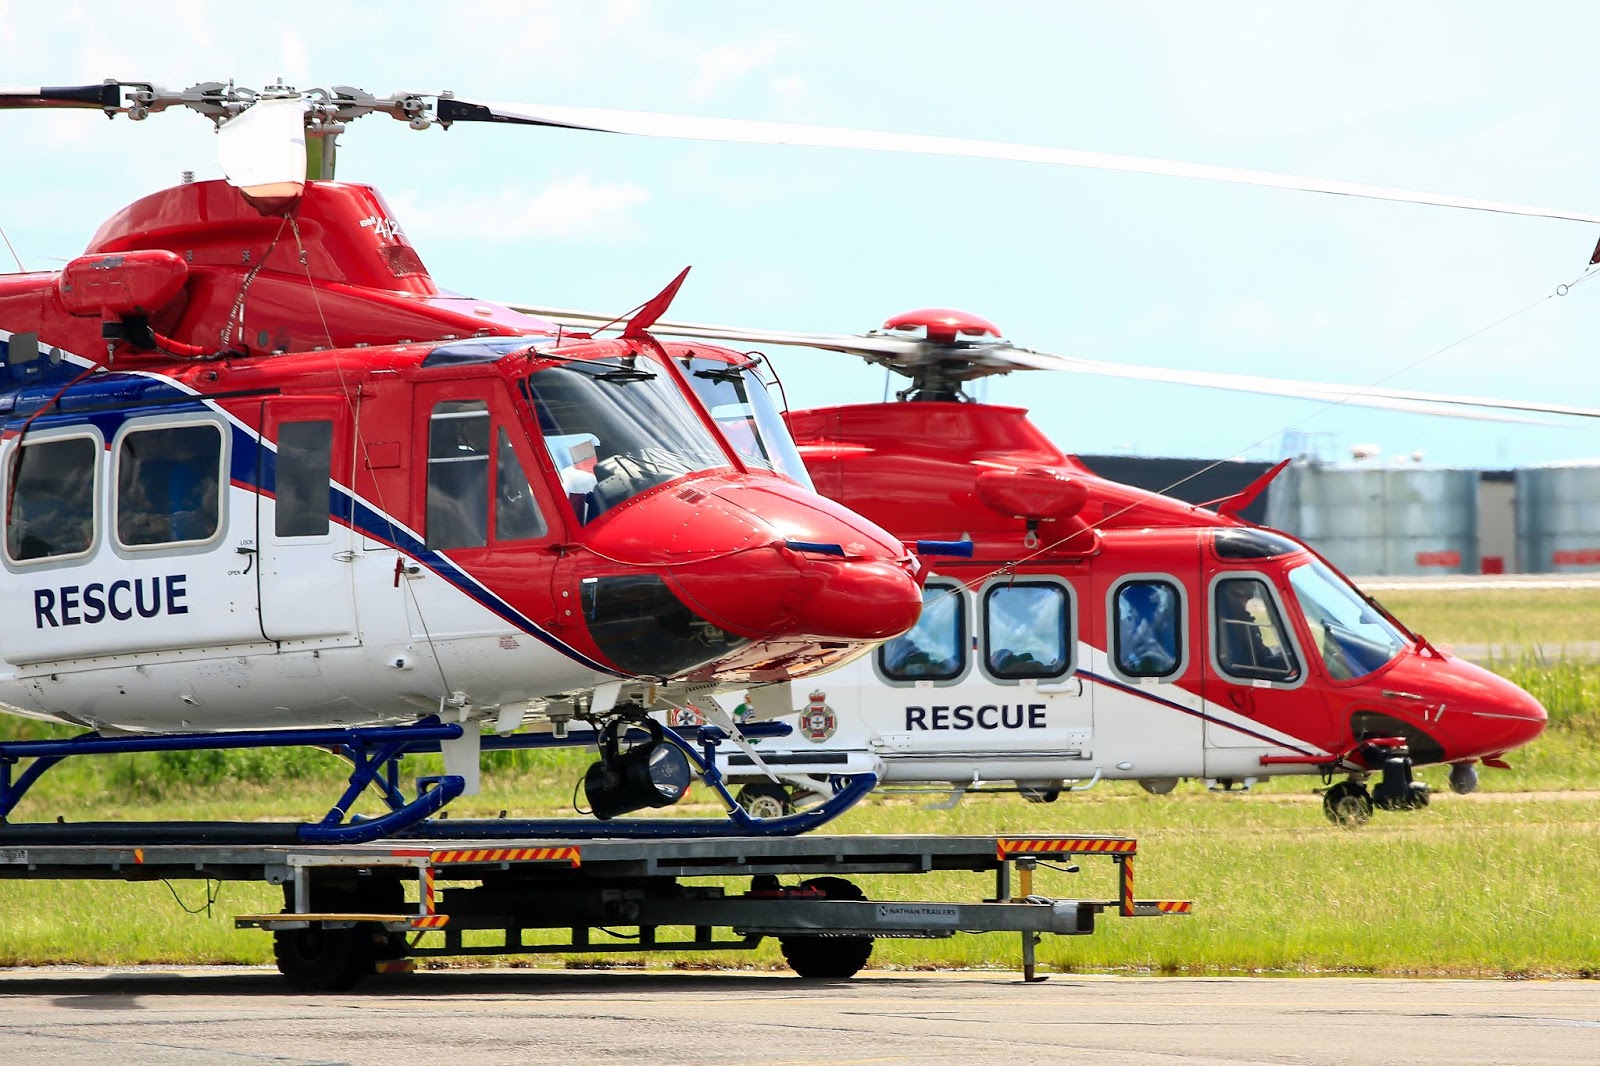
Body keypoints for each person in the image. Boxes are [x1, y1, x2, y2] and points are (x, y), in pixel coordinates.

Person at [1215, 579, 1297, 682]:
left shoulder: (1237, 616)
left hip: (1256, 662)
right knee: (1295, 663)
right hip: (1250, 669)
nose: (1245, 604)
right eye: (1244, 598)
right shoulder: (1236, 618)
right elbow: (1252, 654)